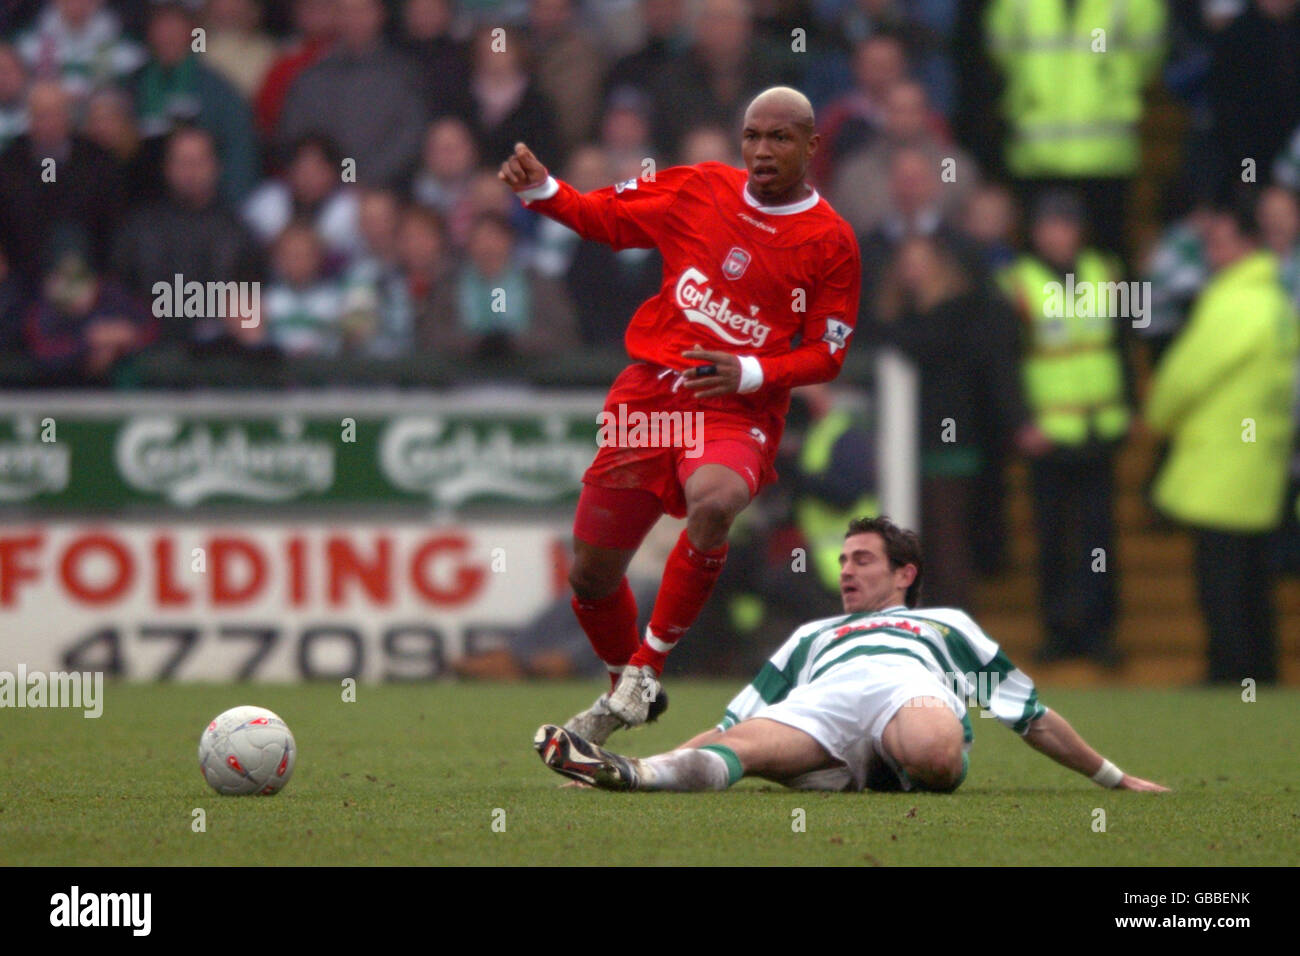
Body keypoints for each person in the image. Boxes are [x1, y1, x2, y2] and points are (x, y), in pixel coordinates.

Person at [497, 86, 861, 743]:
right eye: (752, 135)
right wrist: (542, 190)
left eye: (780, 137)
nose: (762, 149)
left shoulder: (831, 240)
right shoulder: (699, 188)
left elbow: (828, 353)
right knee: (591, 573)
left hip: (735, 407)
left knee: (716, 501)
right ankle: (624, 689)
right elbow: (606, 219)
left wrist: (752, 370)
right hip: (648, 397)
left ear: (812, 146)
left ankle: (649, 664)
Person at [535, 516, 1170, 795]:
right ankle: (631, 775)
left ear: (904, 575)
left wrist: (1112, 777)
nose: (846, 571)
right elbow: (731, 727)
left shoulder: (942, 624)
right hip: (823, 708)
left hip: (907, 692)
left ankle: (884, 768)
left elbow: (1031, 715)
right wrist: (663, 755)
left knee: (934, 753)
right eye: (842, 561)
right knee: (746, 750)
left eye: (862, 560)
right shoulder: (809, 637)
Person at [1144, 192, 1299, 685]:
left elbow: (1186, 375)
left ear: (1248, 245)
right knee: (1253, 578)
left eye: (1220, 242)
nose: (1211, 253)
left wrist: (1157, 415)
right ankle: (1259, 672)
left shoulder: (1236, 299)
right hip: (1259, 457)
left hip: (1222, 461)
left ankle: (1229, 671)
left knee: (1221, 578)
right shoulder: (1275, 300)